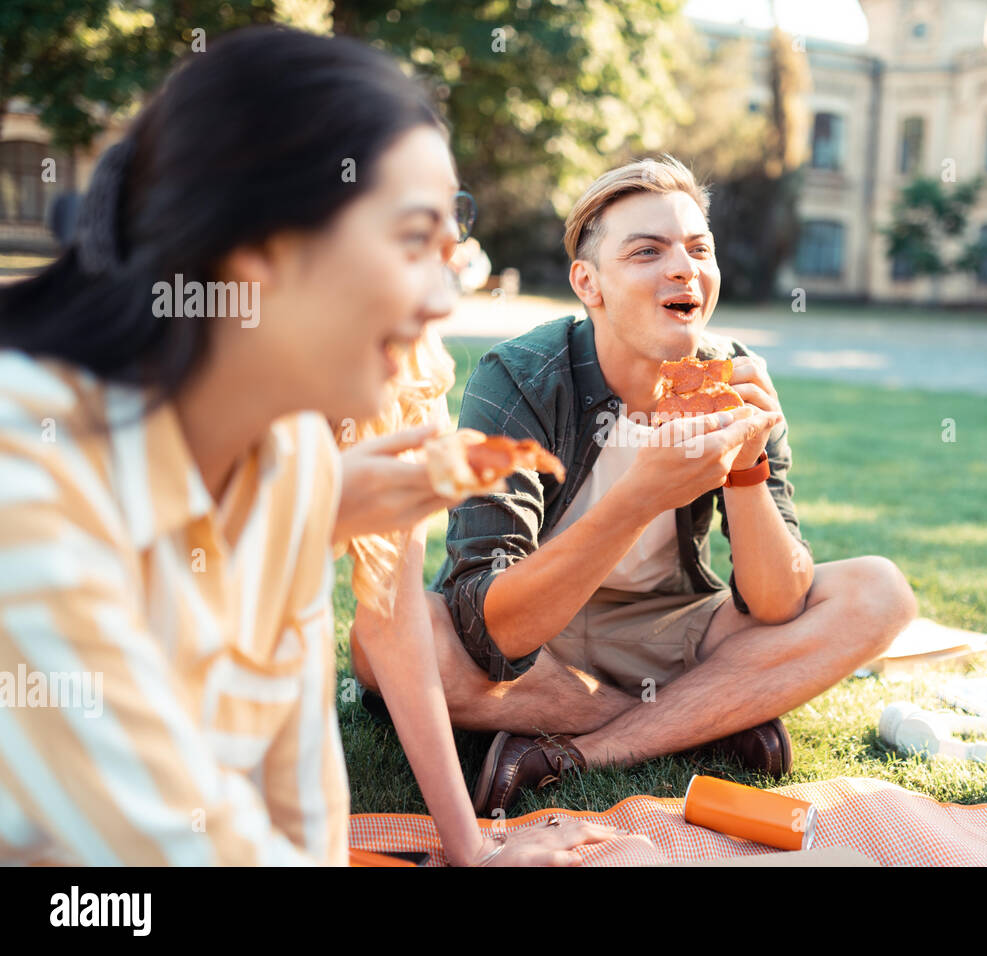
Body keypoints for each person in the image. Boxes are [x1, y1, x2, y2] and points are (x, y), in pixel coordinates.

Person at [0, 26, 627, 866]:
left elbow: (295, 810)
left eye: (450, 246)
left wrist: (471, 852)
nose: (444, 299)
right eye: (412, 240)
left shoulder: (290, 459)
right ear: (259, 251)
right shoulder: (30, 484)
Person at [352, 156, 917, 814]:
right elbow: (494, 633)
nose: (684, 268)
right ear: (588, 284)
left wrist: (748, 466)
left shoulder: (734, 378)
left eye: (698, 249)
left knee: (879, 591)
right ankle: (707, 721)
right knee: (380, 631)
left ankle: (585, 750)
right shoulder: (518, 378)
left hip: (671, 634)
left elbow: (775, 606)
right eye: (647, 251)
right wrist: (641, 494)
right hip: (537, 645)